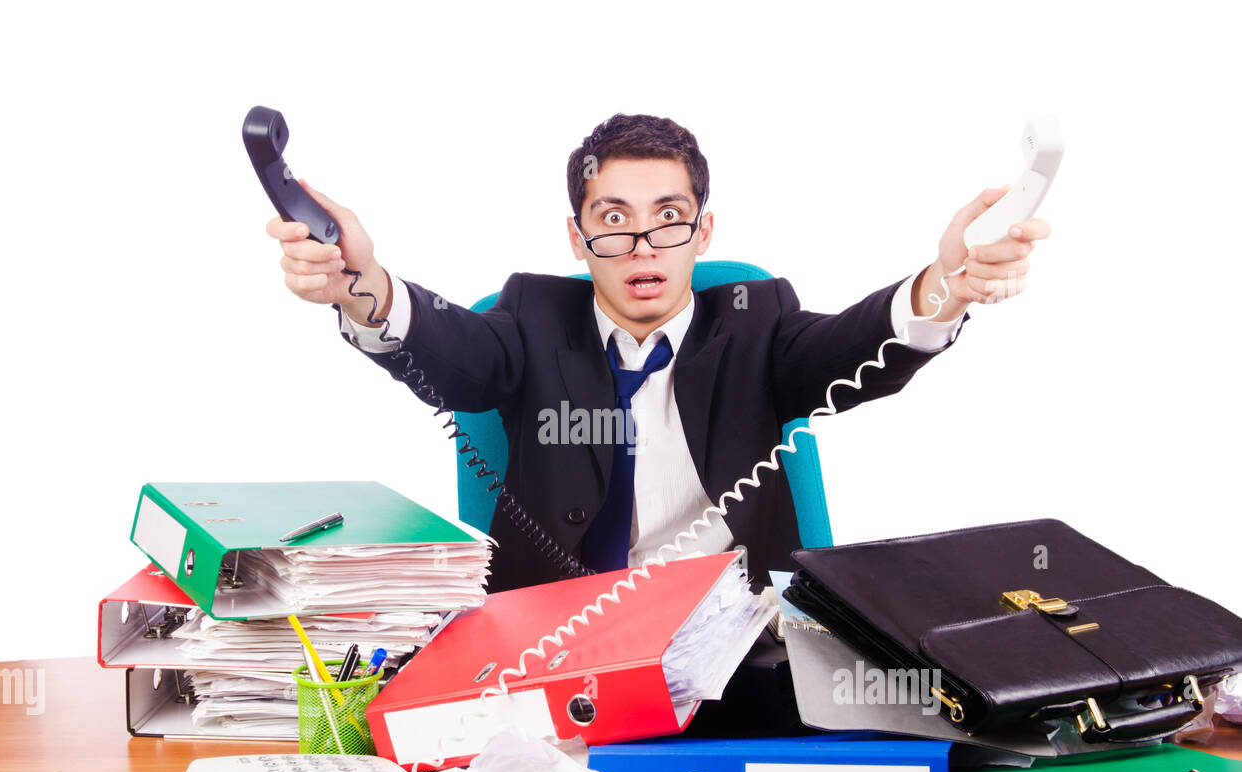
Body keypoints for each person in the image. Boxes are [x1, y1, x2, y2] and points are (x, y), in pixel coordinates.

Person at [266, 113, 1049, 592]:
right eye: (613, 217)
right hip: (558, 654)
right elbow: (453, 355)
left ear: (704, 232)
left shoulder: (758, 318)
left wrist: (950, 281)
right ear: (577, 238)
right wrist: (354, 279)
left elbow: (856, 345)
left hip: (736, 649)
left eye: (669, 216)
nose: (643, 244)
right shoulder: (532, 316)